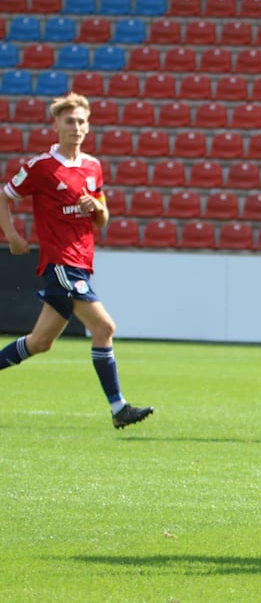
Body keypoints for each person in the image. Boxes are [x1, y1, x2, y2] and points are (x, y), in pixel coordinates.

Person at [0, 92, 153, 429]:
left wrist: (96, 207)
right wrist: (11, 235)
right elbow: (5, 196)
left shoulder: (92, 166)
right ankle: (118, 408)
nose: (77, 127)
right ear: (55, 125)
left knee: (39, 343)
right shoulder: (41, 166)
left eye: (82, 121)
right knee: (104, 327)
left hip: (82, 261)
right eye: (69, 121)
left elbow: (102, 218)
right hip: (61, 262)